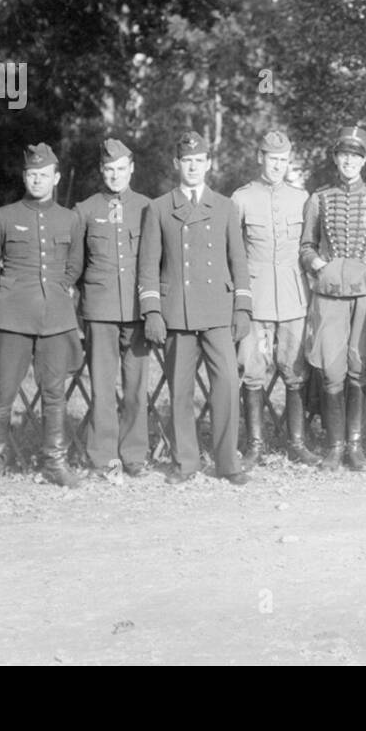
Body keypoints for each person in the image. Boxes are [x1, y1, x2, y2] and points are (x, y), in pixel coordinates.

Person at [137, 131, 252, 486]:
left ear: (208, 164)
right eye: (186, 161)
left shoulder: (224, 206)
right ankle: (186, 463)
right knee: (180, 390)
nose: (192, 167)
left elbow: (239, 259)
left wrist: (243, 307)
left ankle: (227, 462)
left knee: (228, 386)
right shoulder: (158, 207)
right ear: (177, 164)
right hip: (178, 313)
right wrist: (152, 311)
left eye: (199, 161)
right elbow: (148, 263)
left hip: (217, 310)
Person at [0, 142, 85, 496]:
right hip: (12, 319)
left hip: (55, 319)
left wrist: (60, 286)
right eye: (31, 175)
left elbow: (75, 264)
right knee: (2, 395)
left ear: (56, 177)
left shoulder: (70, 219)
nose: (37, 180)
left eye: (44, 175)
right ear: (25, 177)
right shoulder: (3, 217)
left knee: (54, 394)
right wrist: (4, 295)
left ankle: (55, 463)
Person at [300, 124, 366, 471]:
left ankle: (355, 446)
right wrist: (317, 263)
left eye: (356, 155)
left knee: (357, 369)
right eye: (344, 154)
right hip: (330, 295)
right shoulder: (318, 198)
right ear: (336, 158)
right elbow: (305, 245)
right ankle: (334, 446)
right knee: (332, 371)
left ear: (364, 161)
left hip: (365, 295)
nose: (349, 161)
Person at [232, 131, 319, 468]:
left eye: (283, 160)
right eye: (272, 159)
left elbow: (310, 246)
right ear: (260, 158)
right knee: (252, 372)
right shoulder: (241, 199)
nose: (278, 166)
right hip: (256, 299)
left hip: (294, 297)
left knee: (296, 371)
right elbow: (234, 252)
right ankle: (255, 445)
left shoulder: (302, 199)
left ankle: (296, 443)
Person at [75, 138, 152, 479]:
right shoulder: (85, 210)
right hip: (100, 309)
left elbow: (156, 261)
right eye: (109, 169)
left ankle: (134, 455)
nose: (116, 175)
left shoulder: (149, 208)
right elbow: (76, 265)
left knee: (136, 386)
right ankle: (102, 456)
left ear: (132, 169)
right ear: (101, 171)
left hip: (137, 311)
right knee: (102, 387)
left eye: (122, 169)